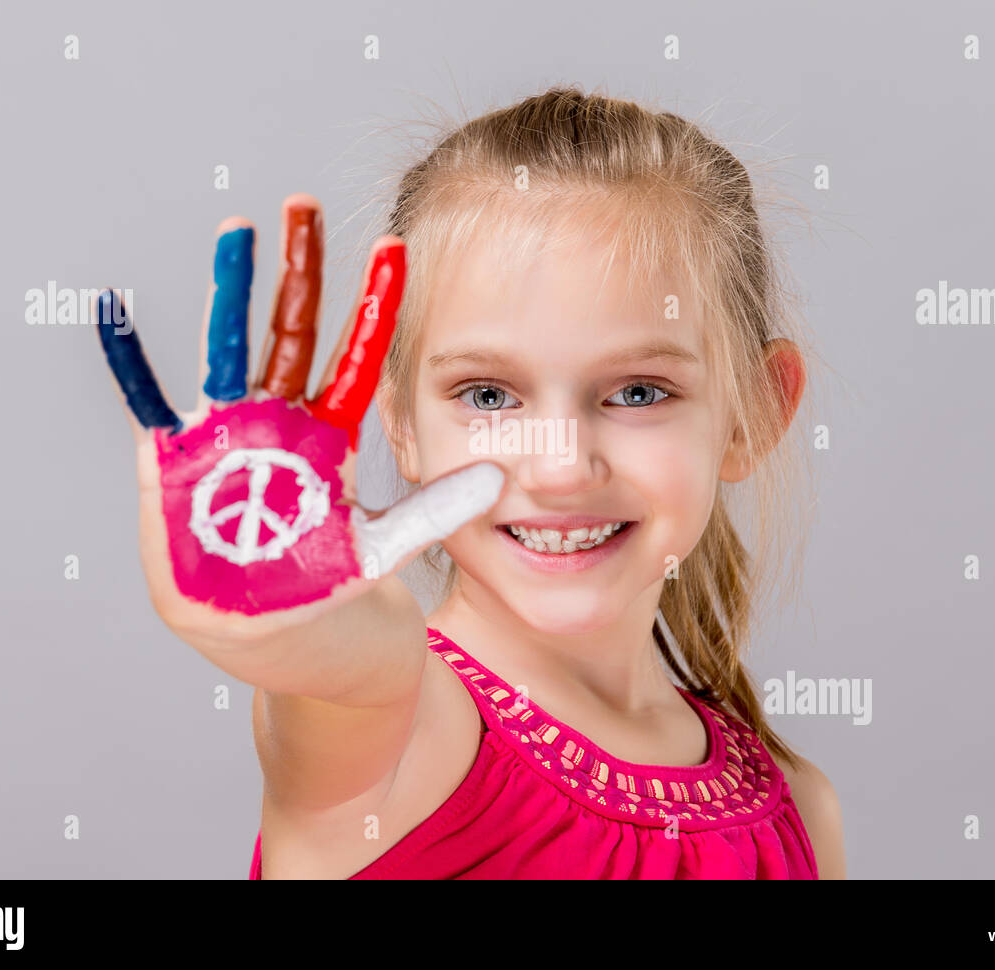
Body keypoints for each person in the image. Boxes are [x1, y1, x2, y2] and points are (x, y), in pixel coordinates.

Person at [95, 85, 845, 879]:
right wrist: (278, 594)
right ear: (403, 423)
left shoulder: (803, 809)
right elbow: (343, 666)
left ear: (754, 414)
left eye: (637, 392)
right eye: (488, 396)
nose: (560, 468)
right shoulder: (403, 735)